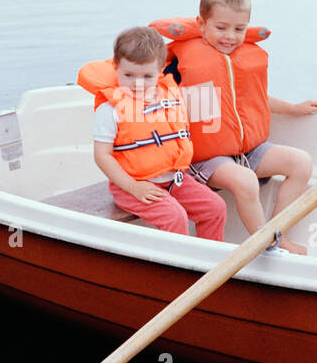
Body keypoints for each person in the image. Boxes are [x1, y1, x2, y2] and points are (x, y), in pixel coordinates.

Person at [151, 0, 317, 255]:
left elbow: (255, 99)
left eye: (239, 29)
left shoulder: (243, 57)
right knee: (246, 181)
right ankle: (265, 245)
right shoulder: (181, 65)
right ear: (202, 23)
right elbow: (157, 104)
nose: (230, 36)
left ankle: (280, 233)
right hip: (207, 159)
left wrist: (293, 109)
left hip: (248, 151)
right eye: (221, 28)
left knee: (301, 163)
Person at [78, 25, 227, 240]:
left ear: (160, 72)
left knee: (215, 207)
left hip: (175, 180)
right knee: (174, 216)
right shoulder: (109, 109)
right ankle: (177, 270)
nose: (138, 84)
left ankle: (211, 264)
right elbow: (102, 155)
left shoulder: (168, 96)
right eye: (129, 75)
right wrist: (133, 186)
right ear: (116, 67)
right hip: (131, 186)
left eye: (147, 76)